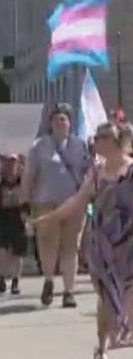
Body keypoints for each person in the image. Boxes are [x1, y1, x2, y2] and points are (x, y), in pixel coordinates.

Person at [31, 122, 133, 359]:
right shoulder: (96, 172)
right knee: (105, 298)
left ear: (114, 141)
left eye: (100, 138)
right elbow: (78, 201)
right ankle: (102, 348)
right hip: (102, 245)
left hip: (132, 242)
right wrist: (49, 218)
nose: (95, 142)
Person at [22, 103, 90, 308]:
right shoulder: (39, 146)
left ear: (70, 123)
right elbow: (29, 177)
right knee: (48, 245)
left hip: (73, 203)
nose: (61, 122)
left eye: (65, 119)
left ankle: (69, 291)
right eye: (57, 119)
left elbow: (88, 173)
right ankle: (49, 280)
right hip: (45, 204)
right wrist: (26, 203)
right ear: (50, 123)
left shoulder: (80, 146)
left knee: (71, 246)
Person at [0, 155, 27, 295]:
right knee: (2, 251)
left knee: (18, 253)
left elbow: (26, 199)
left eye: (13, 162)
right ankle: (2, 278)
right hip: (3, 216)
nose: (10, 166)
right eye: (7, 162)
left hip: (18, 216)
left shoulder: (23, 181)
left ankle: (15, 281)